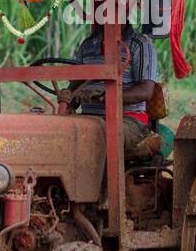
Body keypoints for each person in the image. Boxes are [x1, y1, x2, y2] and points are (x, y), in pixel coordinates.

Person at [58, 16, 163, 158]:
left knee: (100, 136)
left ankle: (101, 180)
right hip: (90, 119)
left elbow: (145, 91)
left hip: (128, 119)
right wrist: (68, 99)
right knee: (56, 134)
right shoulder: (87, 45)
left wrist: (105, 96)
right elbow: (76, 86)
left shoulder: (140, 44)